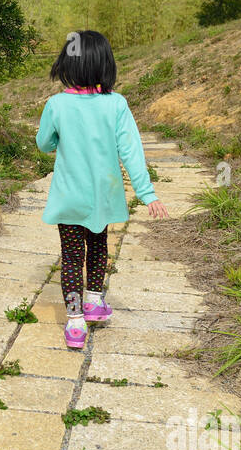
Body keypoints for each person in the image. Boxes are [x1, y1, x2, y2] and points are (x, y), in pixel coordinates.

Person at [35, 30, 169, 349]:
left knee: (71, 257)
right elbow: (131, 152)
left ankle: (75, 321)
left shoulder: (56, 104)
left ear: (67, 63)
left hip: (70, 199)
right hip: (103, 197)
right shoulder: (117, 104)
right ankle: (94, 302)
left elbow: (43, 143)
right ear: (105, 64)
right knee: (98, 246)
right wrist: (147, 194)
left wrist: (59, 140)